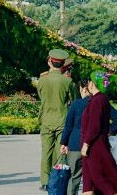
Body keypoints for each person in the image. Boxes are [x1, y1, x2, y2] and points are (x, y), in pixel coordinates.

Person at [61, 79, 117, 195]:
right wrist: (108, 132)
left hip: (83, 145)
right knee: (89, 183)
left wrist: (64, 142)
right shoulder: (101, 100)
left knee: (79, 178)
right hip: (90, 144)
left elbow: (70, 126)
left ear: (87, 87)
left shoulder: (91, 102)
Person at [37, 48, 78, 191]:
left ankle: (45, 181)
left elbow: (42, 97)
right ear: (63, 64)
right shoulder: (68, 82)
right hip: (62, 120)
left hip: (46, 119)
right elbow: (75, 101)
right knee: (60, 151)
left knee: (45, 151)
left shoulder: (42, 80)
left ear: (50, 61)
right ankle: (57, 177)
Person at [80, 71, 117, 195]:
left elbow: (94, 125)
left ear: (92, 84)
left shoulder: (98, 101)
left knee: (100, 179)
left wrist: (86, 143)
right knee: (88, 182)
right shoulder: (98, 99)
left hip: (95, 146)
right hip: (95, 144)